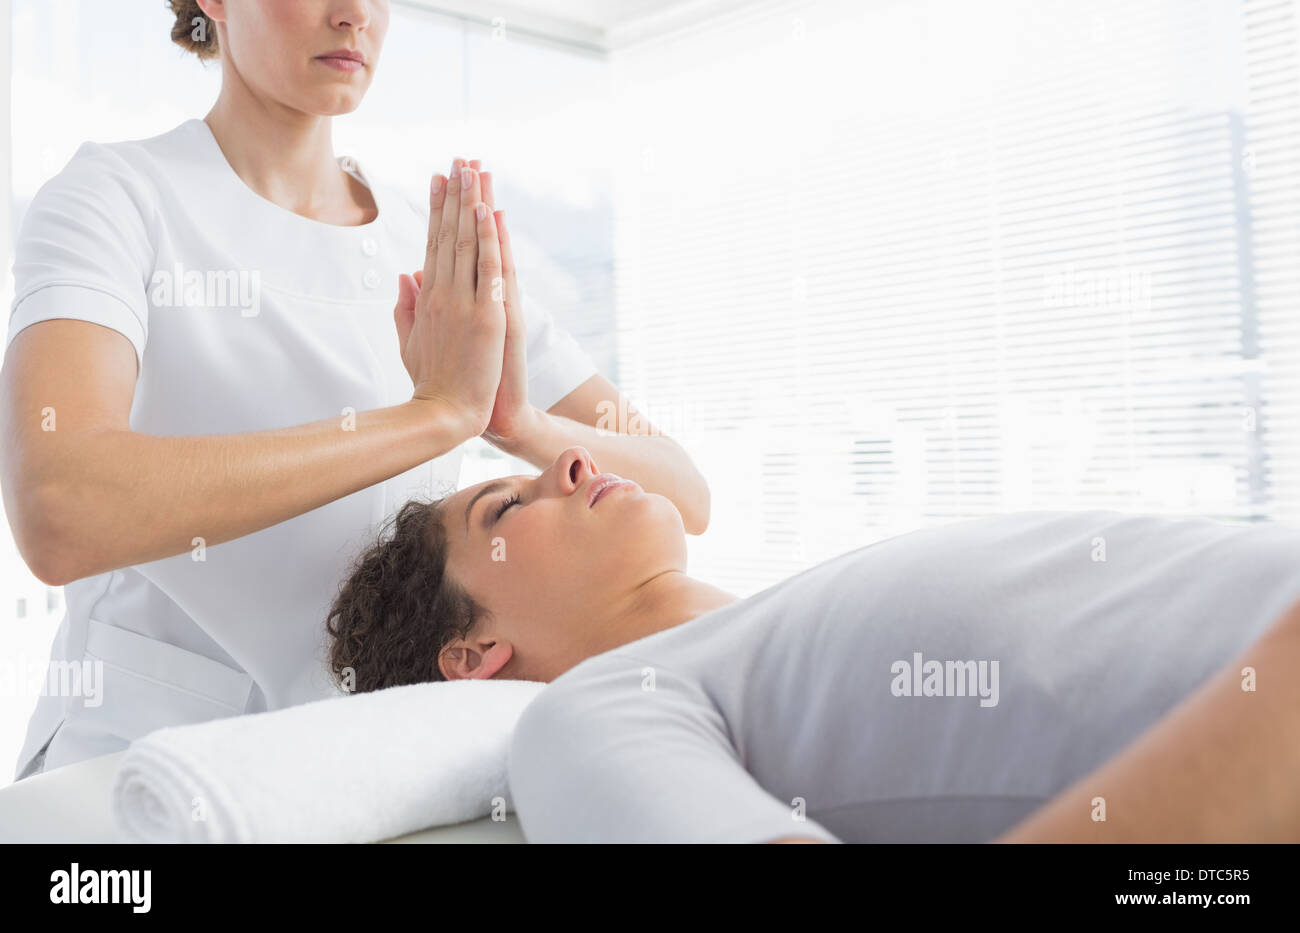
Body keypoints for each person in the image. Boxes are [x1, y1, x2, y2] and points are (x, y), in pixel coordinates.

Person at [0, 0, 708, 781]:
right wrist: (434, 417)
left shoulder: (428, 246)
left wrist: (519, 421)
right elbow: (60, 507)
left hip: (348, 780)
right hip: (129, 773)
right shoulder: (118, 196)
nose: (354, 15)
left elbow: (682, 490)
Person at [325, 445, 1300, 843]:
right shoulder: (590, 715)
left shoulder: (783, 623)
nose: (570, 459)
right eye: (508, 503)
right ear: (470, 649)